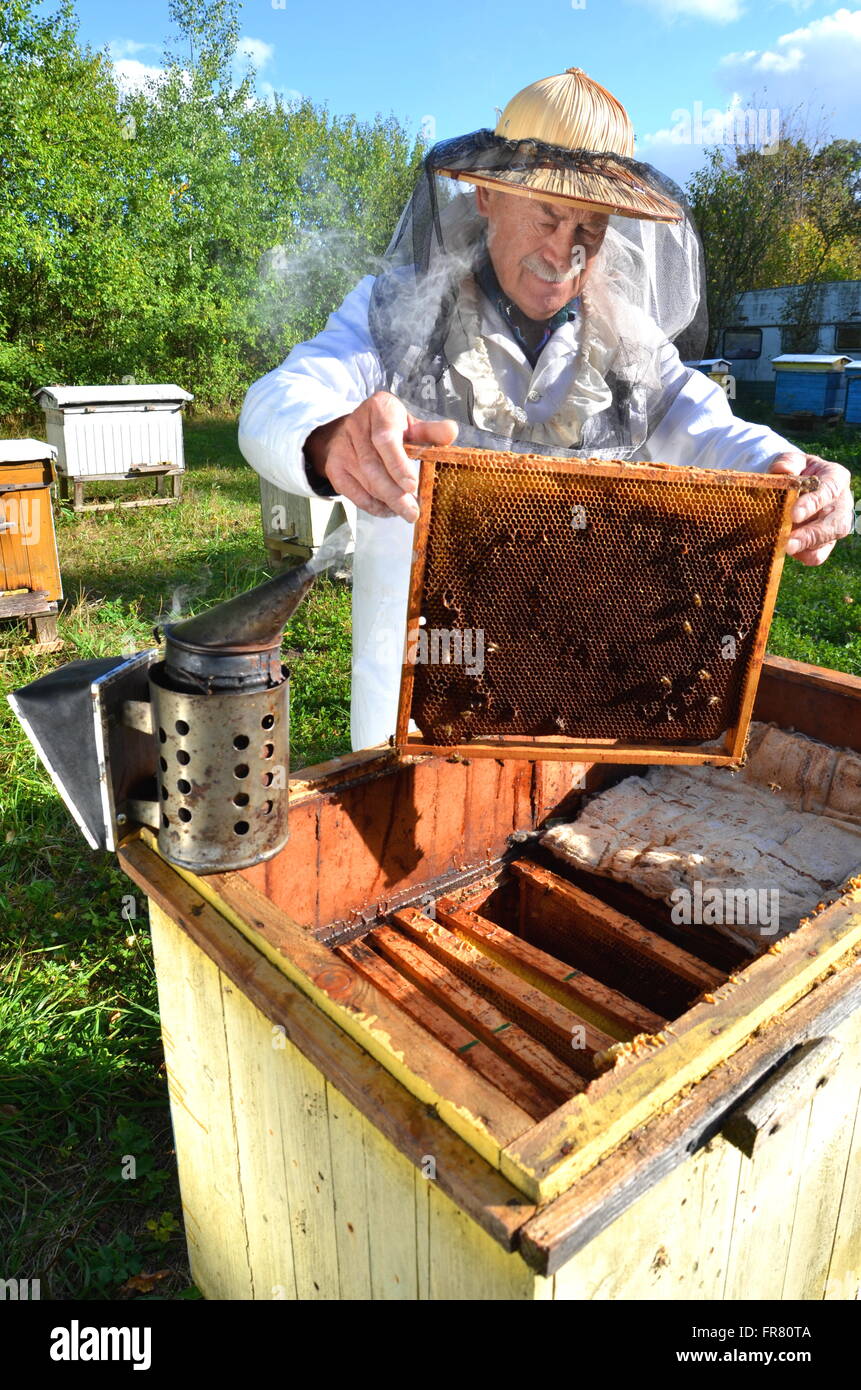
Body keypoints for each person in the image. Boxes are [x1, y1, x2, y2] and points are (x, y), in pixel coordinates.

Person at [238, 66, 854, 751]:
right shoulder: (391, 310)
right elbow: (277, 400)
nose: (565, 252)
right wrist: (329, 437)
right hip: (423, 689)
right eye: (549, 216)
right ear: (485, 196)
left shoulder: (629, 340)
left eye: (590, 224)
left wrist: (790, 468)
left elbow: (711, 427)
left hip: (589, 684)